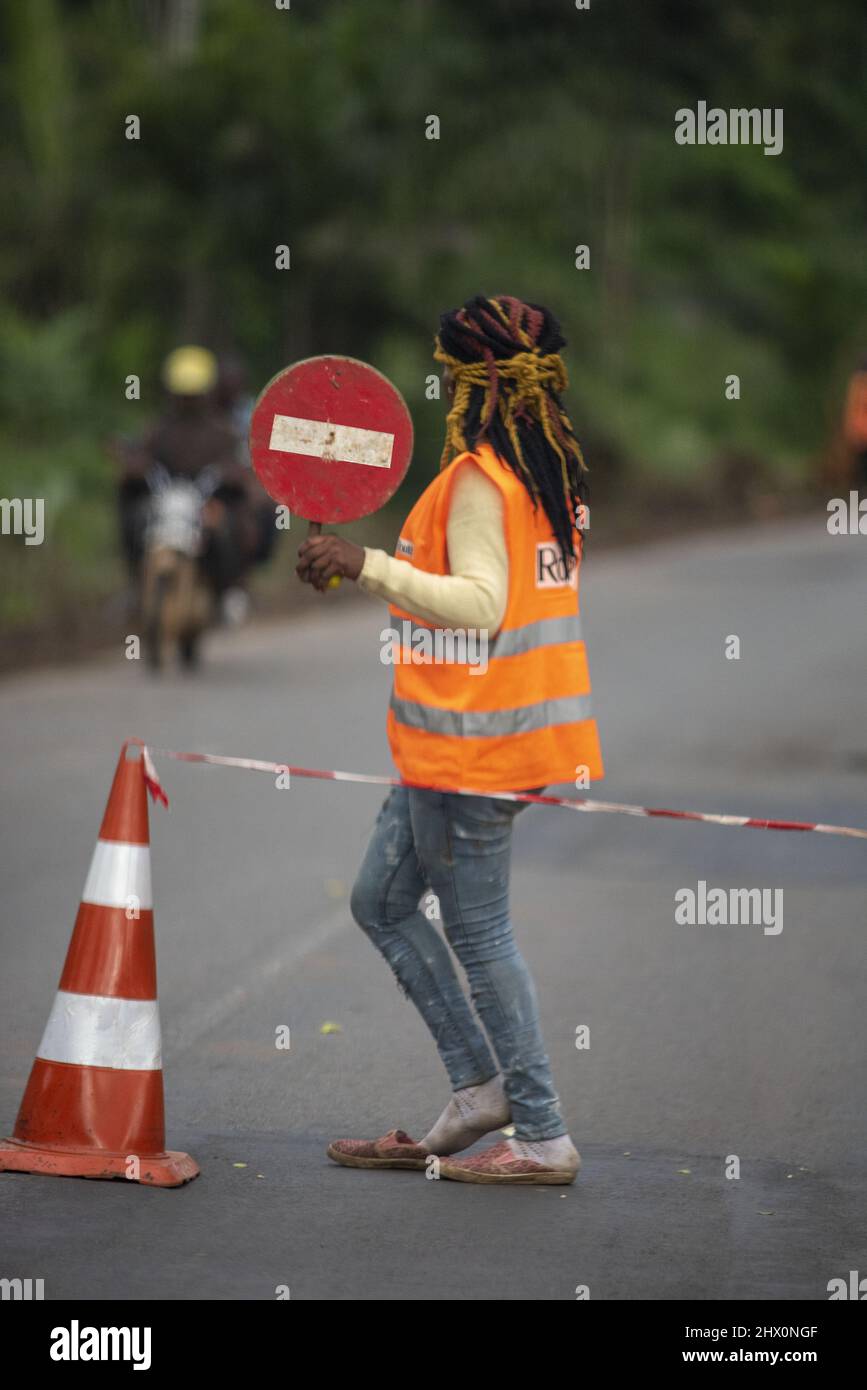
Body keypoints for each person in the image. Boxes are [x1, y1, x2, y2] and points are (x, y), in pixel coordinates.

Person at [297, 295, 604, 1184]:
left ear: (479, 382)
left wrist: (365, 564)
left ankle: (542, 1134)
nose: (442, 390)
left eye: (449, 375)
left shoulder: (482, 477)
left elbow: (480, 605)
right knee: (380, 902)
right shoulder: (547, 473)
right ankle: (479, 1091)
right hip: (462, 743)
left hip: (477, 750)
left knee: (480, 936)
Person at [116, 346, 257, 613]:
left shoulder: (223, 432)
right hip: (166, 502)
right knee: (135, 516)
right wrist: (134, 466)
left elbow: (240, 463)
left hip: (207, 502)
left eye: (193, 395)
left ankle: (229, 589)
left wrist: (232, 474)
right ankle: (136, 583)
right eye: (183, 395)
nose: (188, 401)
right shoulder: (158, 430)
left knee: (227, 525)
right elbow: (139, 455)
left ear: (207, 393)